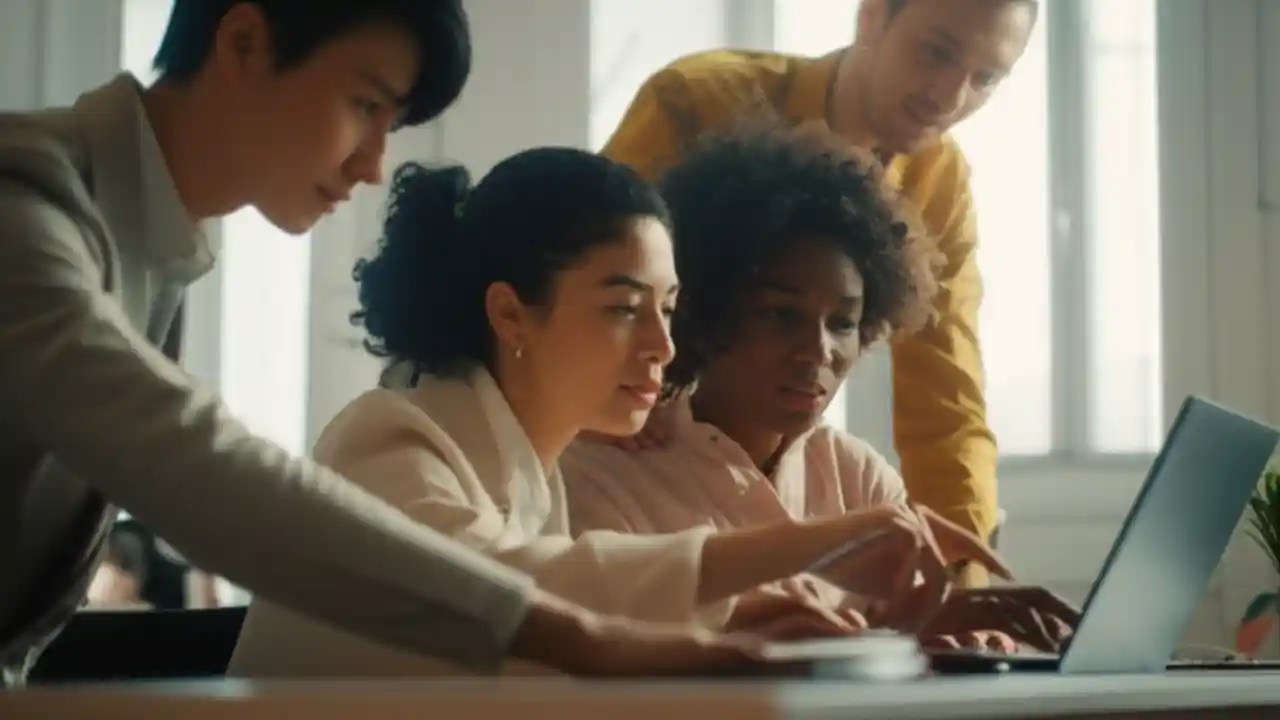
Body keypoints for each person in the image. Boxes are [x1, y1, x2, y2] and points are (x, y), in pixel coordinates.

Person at [0, 0, 758, 688]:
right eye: (364, 105)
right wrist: (583, 637)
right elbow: (192, 463)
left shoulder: (153, 248)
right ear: (244, 44)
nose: (373, 166)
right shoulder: (23, 207)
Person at [229, 146, 1011, 677]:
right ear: (510, 314)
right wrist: (813, 547)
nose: (663, 346)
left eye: (668, 310)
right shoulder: (391, 437)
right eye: (624, 308)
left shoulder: (534, 483)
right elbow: (510, 588)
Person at [564, 122, 1079, 652]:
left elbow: (892, 632)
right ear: (701, 310)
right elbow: (605, 656)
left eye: (842, 323)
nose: (817, 350)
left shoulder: (857, 476)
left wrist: (939, 640)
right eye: (781, 315)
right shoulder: (600, 473)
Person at [596, 0, 1040, 586]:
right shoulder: (699, 99)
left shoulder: (940, 179)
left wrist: (962, 584)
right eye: (937, 52)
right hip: (631, 443)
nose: (951, 96)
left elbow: (946, 396)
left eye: (985, 78)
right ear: (872, 16)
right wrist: (627, 390)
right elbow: (589, 277)